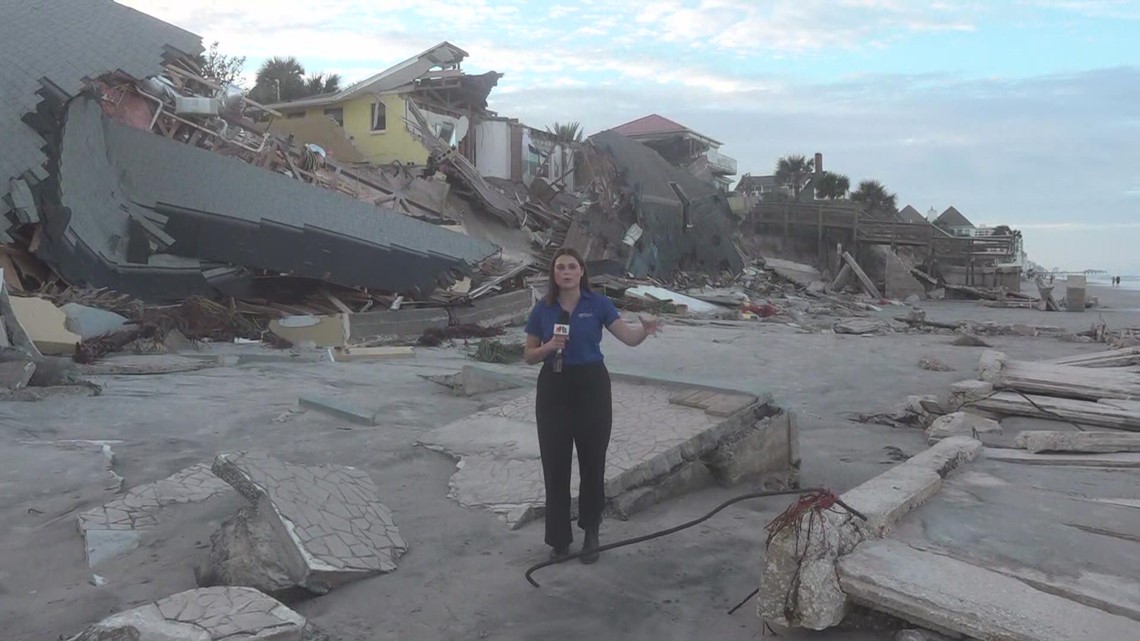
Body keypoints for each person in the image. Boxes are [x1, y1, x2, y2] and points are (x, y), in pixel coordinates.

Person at [523, 248, 660, 564]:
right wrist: (548, 347)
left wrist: (645, 331)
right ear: (554, 274)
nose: (566, 272)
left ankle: (591, 532)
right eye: (560, 268)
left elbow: (627, 337)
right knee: (555, 465)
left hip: (591, 387)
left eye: (572, 267)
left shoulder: (598, 305)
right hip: (554, 389)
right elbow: (528, 355)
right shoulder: (542, 310)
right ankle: (559, 539)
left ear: (582, 272)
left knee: (592, 463)